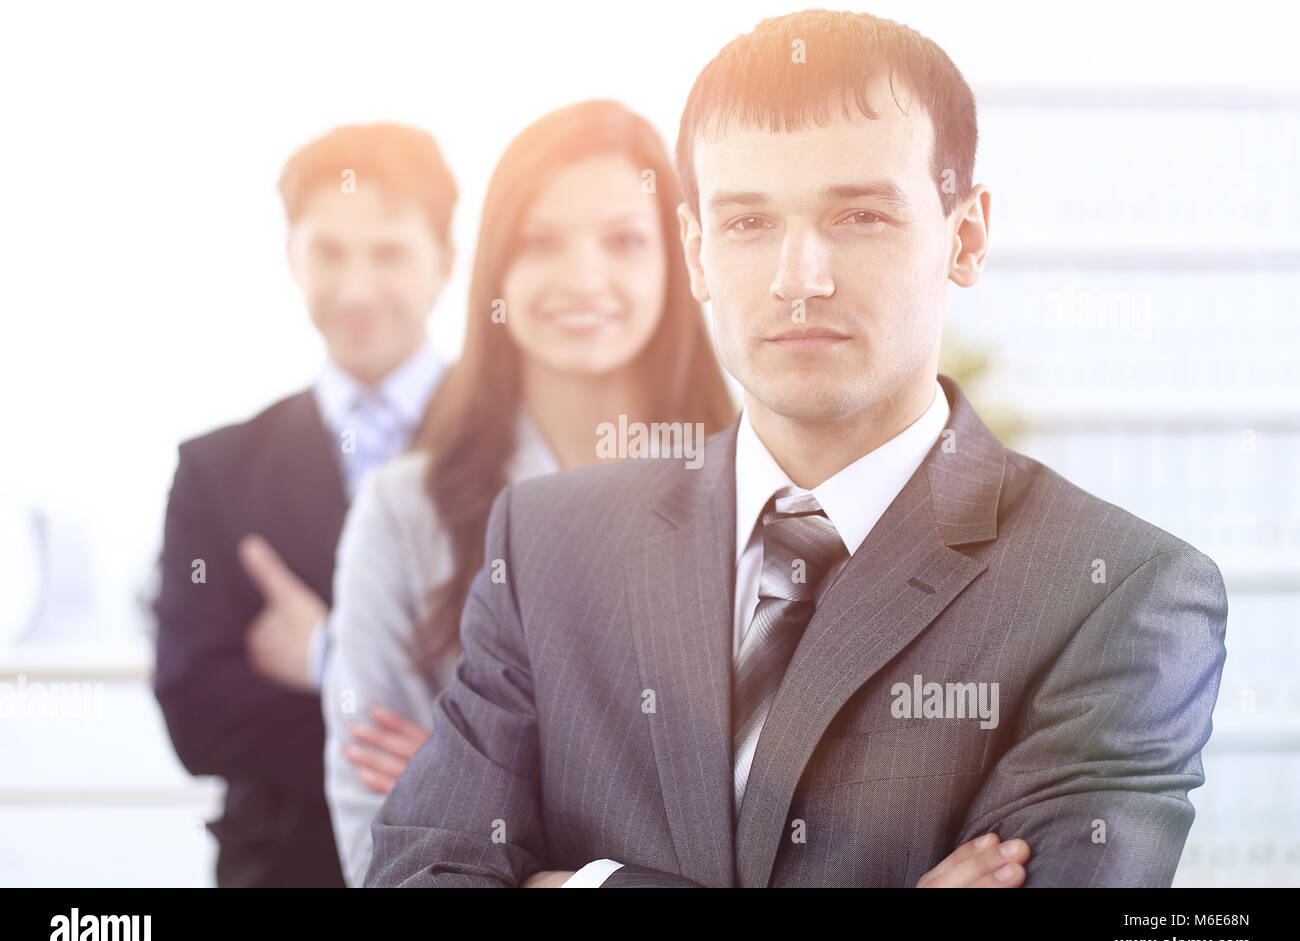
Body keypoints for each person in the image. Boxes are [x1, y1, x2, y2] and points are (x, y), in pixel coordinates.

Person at [366, 10, 1228, 888]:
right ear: (697, 252)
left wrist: (589, 886)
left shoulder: (1117, 595)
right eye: (747, 223)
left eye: (858, 215)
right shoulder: (549, 547)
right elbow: (419, 873)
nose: (799, 278)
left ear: (964, 237)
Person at [321, 99, 737, 887]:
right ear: (496, 271)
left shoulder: (759, 488)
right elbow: (384, 853)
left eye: (623, 241)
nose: (584, 279)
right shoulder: (402, 513)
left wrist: (475, 807)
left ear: (682, 259)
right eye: (541, 242)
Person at [152, 122, 457, 886]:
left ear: (445, 263)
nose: (356, 289)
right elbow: (198, 713)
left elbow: (557, 693)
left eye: (388, 252)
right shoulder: (216, 469)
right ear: (291, 257)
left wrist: (328, 659)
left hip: (473, 862)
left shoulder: (516, 447)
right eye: (328, 252)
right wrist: (427, 729)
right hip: (282, 868)